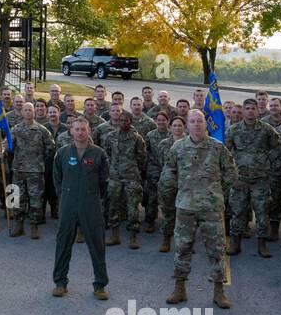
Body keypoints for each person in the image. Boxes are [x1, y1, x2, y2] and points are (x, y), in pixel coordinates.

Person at [160, 110, 238, 309]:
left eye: (200, 121)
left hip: (211, 207)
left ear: (206, 124)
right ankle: (179, 288)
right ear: (187, 124)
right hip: (185, 206)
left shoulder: (217, 147)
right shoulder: (178, 147)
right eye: (192, 121)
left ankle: (219, 292)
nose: (196, 124)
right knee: (182, 248)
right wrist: (170, 196)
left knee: (216, 249)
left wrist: (218, 193)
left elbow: (231, 174)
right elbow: (168, 173)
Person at [51, 119, 110, 299]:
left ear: (89, 130)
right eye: (76, 129)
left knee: (97, 245)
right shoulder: (62, 153)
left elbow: (104, 181)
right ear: (71, 131)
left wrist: (92, 195)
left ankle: (100, 285)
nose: (80, 133)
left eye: (83, 129)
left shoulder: (98, 153)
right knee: (63, 244)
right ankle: (60, 283)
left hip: (90, 204)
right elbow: (57, 179)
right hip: (68, 204)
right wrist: (66, 196)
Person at [225, 98, 281, 257]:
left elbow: (278, 148)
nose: (250, 111)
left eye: (253, 108)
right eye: (247, 108)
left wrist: (266, 162)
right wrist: (232, 175)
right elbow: (225, 154)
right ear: (243, 111)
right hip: (240, 180)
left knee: (262, 213)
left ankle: (262, 245)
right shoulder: (233, 130)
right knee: (237, 212)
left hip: (260, 180)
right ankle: (235, 244)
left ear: (258, 110)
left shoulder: (267, 130)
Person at [9, 102, 55, 239]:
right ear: (22, 112)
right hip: (19, 170)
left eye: (30, 110)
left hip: (36, 170)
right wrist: (2, 150)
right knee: (17, 198)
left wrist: (39, 159)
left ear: (34, 112)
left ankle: (34, 225)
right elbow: (7, 144)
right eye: (26, 110)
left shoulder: (42, 130)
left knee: (36, 199)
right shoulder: (16, 129)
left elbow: (51, 147)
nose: (28, 112)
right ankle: (19, 224)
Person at [102, 110, 147, 249]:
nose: (123, 123)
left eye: (126, 120)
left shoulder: (137, 138)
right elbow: (107, 152)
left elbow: (142, 158)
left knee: (133, 207)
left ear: (131, 122)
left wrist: (131, 168)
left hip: (131, 177)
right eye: (121, 120)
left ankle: (133, 236)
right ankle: (114, 236)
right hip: (115, 176)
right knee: (113, 205)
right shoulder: (111, 136)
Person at [155, 116, 187, 252]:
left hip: (186, 183)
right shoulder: (163, 144)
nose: (177, 128)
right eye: (174, 125)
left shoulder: (190, 143)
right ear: (170, 127)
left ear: (184, 127)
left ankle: (185, 243)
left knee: (185, 213)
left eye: (180, 125)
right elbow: (160, 162)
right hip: (168, 183)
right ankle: (166, 240)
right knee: (168, 212)